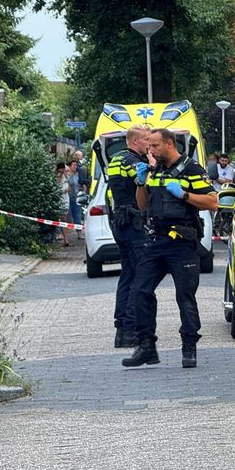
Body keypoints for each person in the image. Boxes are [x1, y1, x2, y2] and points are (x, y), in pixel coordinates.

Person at [123, 128, 217, 369]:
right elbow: (142, 206)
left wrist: (184, 194)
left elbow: (213, 202)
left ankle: (189, 347)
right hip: (156, 242)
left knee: (185, 297)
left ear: (169, 144)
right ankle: (146, 347)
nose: (149, 150)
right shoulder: (155, 171)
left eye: (154, 146)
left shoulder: (192, 170)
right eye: (148, 146)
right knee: (140, 291)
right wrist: (141, 183)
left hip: (182, 244)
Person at [107, 124, 152, 349]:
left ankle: (121, 330)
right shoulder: (133, 161)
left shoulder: (115, 159)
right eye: (147, 139)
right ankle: (132, 328)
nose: (150, 144)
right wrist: (152, 164)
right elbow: (146, 183)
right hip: (134, 223)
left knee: (127, 275)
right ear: (135, 142)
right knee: (140, 276)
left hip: (120, 222)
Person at [55, 163, 72, 246]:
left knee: (64, 218)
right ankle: (62, 236)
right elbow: (56, 186)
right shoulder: (57, 176)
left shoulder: (66, 176)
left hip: (66, 199)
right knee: (61, 218)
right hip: (60, 199)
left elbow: (68, 170)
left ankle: (66, 238)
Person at [67, 159, 84, 237]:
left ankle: (79, 233)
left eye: (76, 165)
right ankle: (64, 234)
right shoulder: (66, 175)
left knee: (77, 215)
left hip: (76, 197)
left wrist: (83, 193)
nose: (75, 166)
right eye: (73, 165)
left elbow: (82, 184)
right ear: (69, 166)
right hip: (68, 198)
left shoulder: (78, 175)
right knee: (66, 216)